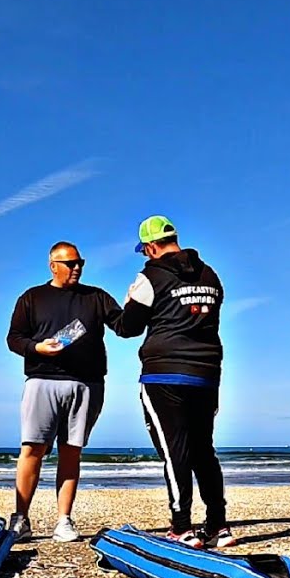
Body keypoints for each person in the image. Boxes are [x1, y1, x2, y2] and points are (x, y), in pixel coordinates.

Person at [117, 215, 235, 549]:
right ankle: (218, 526)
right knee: (203, 450)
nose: (146, 256)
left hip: (164, 372)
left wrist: (124, 306)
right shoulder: (210, 274)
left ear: (152, 247)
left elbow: (129, 328)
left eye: (145, 251)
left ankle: (181, 526)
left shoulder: (150, 276)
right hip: (205, 373)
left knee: (174, 451)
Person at [6, 241, 124, 542]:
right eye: (70, 263)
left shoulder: (95, 297)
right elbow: (14, 338)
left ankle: (64, 520)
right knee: (33, 448)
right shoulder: (32, 297)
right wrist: (37, 348)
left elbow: (124, 326)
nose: (76, 268)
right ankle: (21, 519)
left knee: (71, 452)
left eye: (79, 262)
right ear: (53, 265)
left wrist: (140, 302)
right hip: (42, 380)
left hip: (87, 383)